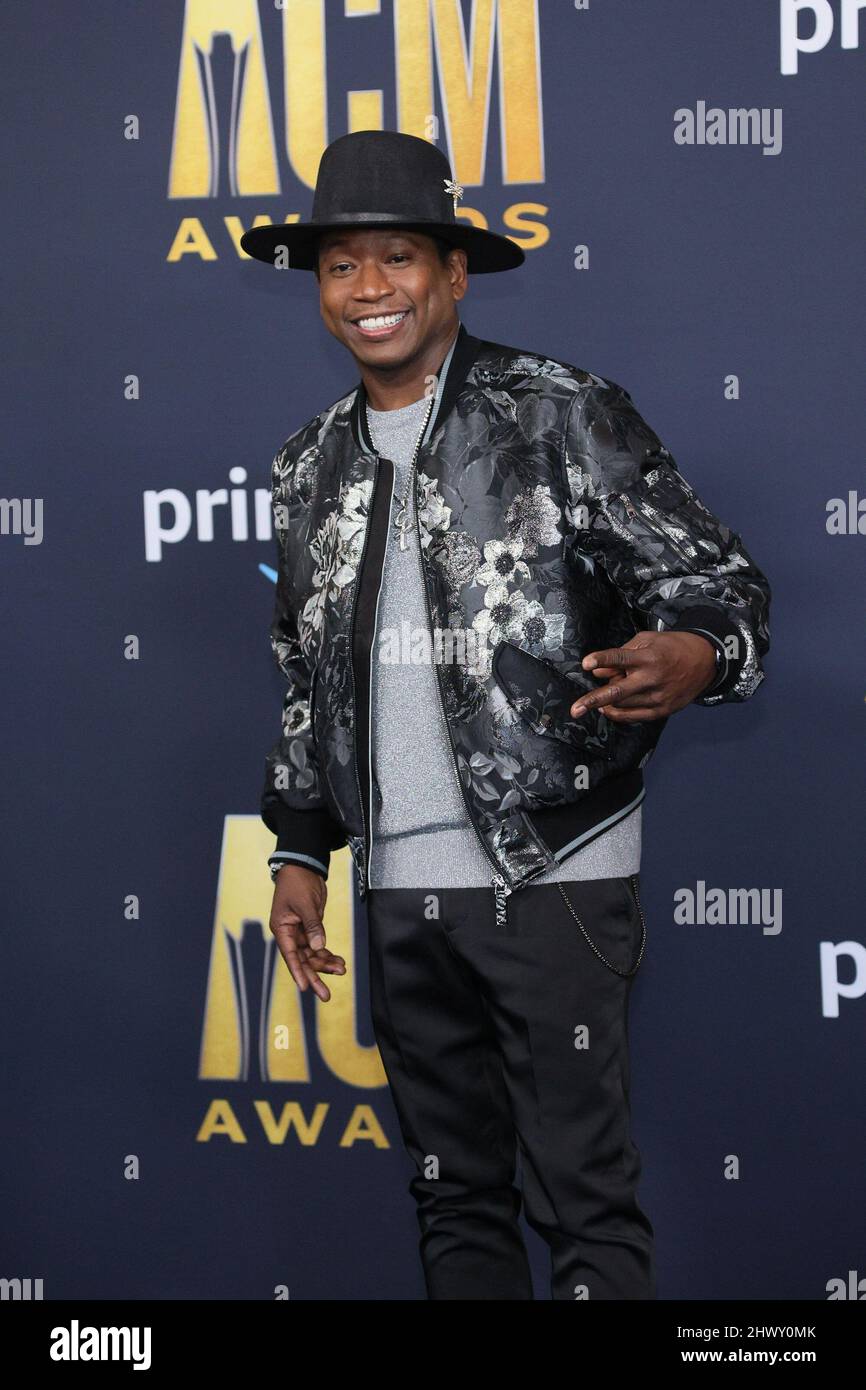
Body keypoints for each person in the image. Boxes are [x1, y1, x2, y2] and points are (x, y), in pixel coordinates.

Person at [240, 130, 771, 1300]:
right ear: (319, 287)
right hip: (392, 887)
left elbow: (717, 591)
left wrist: (689, 653)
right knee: (451, 1193)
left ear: (452, 273)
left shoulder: (559, 412)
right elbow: (305, 677)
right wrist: (296, 850)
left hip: (555, 870)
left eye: (396, 258)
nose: (368, 288)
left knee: (579, 1191)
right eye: (341, 266)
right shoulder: (302, 466)